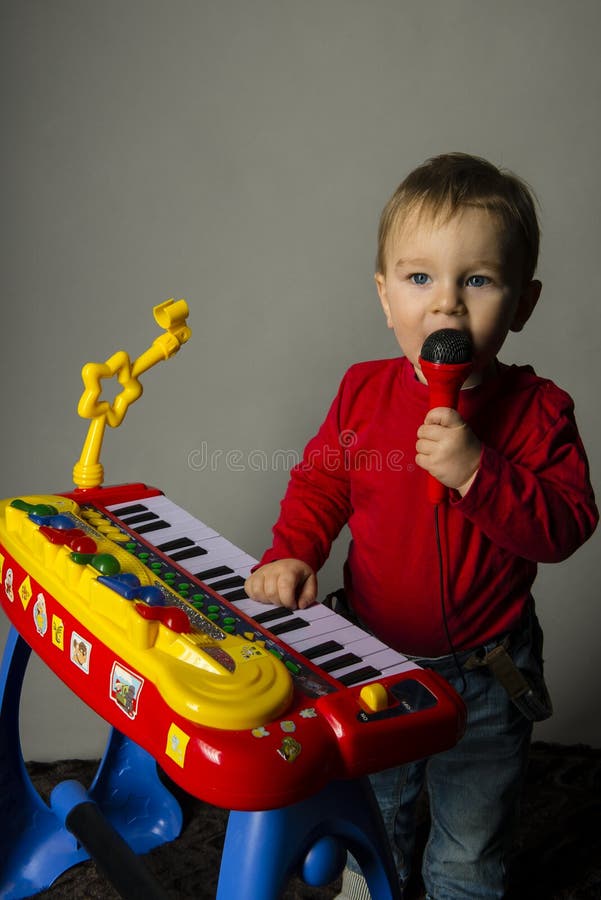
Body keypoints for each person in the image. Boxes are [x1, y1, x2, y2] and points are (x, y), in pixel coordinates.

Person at [244, 153, 598, 899]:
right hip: (371, 661)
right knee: (376, 814)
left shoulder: (539, 411)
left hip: (488, 673)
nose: (446, 305)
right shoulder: (363, 392)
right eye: (419, 278)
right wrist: (294, 551)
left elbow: (567, 524)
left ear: (523, 302)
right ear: (384, 295)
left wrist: (479, 473)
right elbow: (321, 482)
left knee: (470, 844)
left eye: (478, 280)